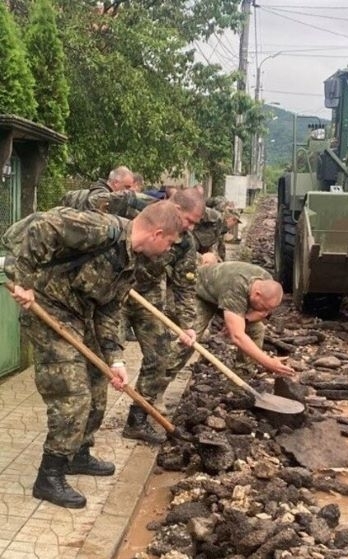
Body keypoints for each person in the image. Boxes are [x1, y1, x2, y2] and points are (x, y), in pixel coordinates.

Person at [1, 202, 182, 509]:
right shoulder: (101, 229)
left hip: (79, 314)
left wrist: (116, 359)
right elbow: (43, 226)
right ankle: (49, 476)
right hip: (47, 306)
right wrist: (24, 282)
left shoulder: (131, 260)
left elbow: (110, 308)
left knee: (98, 381)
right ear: (158, 233)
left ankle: (79, 453)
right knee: (72, 392)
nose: (168, 250)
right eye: (170, 243)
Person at [120, 189, 205, 443]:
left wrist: (187, 326)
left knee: (160, 357)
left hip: (147, 298)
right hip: (112, 293)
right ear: (174, 207)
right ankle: (81, 440)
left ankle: (138, 420)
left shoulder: (186, 243)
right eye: (188, 220)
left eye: (194, 224)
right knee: (106, 358)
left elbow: (184, 285)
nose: (189, 227)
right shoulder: (136, 209)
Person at [165, 261, 295, 381]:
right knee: (189, 339)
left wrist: (241, 320)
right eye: (264, 308)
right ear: (257, 294)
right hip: (201, 293)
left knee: (256, 330)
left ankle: (241, 380)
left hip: (226, 297)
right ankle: (156, 385)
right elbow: (237, 337)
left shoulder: (267, 283)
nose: (266, 313)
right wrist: (268, 362)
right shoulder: (236, 287)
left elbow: (262, 312)